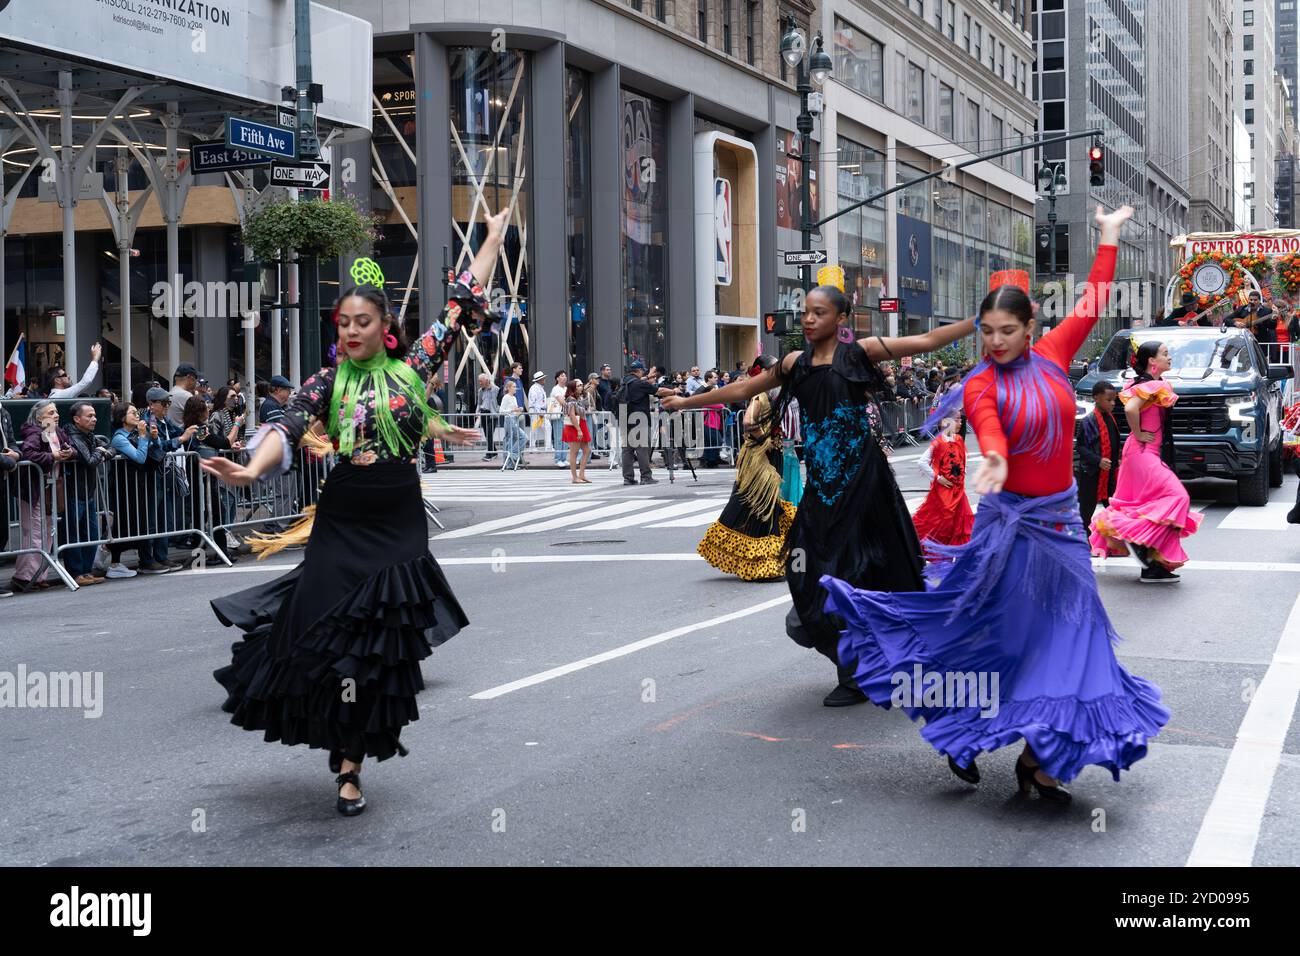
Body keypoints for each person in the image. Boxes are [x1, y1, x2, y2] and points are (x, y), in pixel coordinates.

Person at [823, 204, 1169, 802]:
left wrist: (1108, 236)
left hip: (1062, 527)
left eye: (1006, 331)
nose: (996, 341)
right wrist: (996, 457)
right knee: (996, 640)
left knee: (1071, 643)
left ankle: (1038, 756)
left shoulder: (1058, 353)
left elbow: (1091, 297)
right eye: (986, 332)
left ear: (1030, 327)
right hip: (1009, 531)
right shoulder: (982, 382)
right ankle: (962, 726)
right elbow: (987, 423)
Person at [200, 208, 500, 817]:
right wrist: (255, 467)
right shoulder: (327, 381)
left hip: (395, 519)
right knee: (326, 635)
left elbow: (462, 303)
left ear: (385, 325)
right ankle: (338, 742)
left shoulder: (414, 368)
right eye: (343, 322)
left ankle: (350, 767)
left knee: (374, 644)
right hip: (343, 516)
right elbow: (286, 424)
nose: (352, 331)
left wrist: (491, 238)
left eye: (363, 321)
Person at [664, 287, 975, 706]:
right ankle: (856, 664)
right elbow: (741, 391)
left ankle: (865, 672)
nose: (808, 319)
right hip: (823, 490)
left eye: (819, 312)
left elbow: (927, 341)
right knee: (807, 577)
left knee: (871, 572)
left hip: (865, 487)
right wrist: (686, 401)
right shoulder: (794, 363)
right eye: (805, 311)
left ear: (841, 318)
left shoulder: (861, 352)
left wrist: (982, 320)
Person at [1090, 340, 1204, 582]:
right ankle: (1141, 548)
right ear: (1152, 361)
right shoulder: (1152, 384)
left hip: (1140, 452)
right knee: (1177, 498)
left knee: (1147, 505)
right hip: (1143, 452)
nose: (1169, 357)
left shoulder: (1146, 383)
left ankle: (1152, 564)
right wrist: (1140, 432)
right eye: (1165, 354)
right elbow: (1131, 409)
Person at [696, 355, 795, 580]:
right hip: (761, 457)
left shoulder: (772, 394)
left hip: (769, 456)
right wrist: (765, 441)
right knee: (760, 504)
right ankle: (761, 565)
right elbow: (749, 422)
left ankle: (763, 561)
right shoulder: (761, 394)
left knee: (758, 503)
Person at [105, 401, 173, 577]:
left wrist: (155, 437)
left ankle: (145, 560)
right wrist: (144, 438)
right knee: (125, 523)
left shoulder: (136, 432)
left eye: (137, 413)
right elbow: (140, 458)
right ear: (122, 418)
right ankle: (113, 559)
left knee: (143, 522)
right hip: (126, 488)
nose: (137, 416)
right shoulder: (119, 437)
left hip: (141, 485)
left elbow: (157, 449)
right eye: (133, 413)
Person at [13, 400, 72, 591]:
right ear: (40, 417)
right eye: (51, 412)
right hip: (34, 489)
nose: (56, 415)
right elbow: (28, 454)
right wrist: (52, 457)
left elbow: (71, 448)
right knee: (35, 533)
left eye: (56, 411)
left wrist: (69, 452)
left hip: (50, 489)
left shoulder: (58, 432)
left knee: (48, 531)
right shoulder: (33, 432)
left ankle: (39, 575)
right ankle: (24, 576)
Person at [62, 401, 112, 586]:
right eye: (89, 416)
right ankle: (76, 572)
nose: (94, 418)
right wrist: (100, 452)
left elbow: (111, 448)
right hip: (74, 491)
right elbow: (90, 460)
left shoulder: (89, 435)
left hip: (88, 491)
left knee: (92, 533)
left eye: (94, 415)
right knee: (74, 533)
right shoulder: (72, 435)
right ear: (77, 419)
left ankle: (85, 570)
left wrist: (100, 452)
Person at [911, 413, 972, 550]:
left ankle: (959, 551)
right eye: (957, 420)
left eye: (961, 420)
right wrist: (938, 478)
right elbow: (922, 462)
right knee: (941, 522)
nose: (960, 423)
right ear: (945, 422)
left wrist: (961, 474)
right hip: (944, 492)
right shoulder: (938, 443)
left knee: (962, 521)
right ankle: (932, 548)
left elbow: (963, 459)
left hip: (959, 491)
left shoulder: (959, 440)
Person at [617, 360, 676, 486]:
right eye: (642, 371)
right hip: (639, 419)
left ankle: (628, 478)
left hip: (624, 417)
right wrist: (674, 392)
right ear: (638, 371)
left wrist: (647, 376)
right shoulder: (640, 384)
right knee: (642, 449)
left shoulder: (624, 381)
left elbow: (639, 380)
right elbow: (659, 391)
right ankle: (646, 476)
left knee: (627, 450)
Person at [1075, 380, 1122, 529]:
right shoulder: (1088, 421)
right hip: (1092, 472)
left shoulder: (1111, 418)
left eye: (1114, 399)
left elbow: (1114, 441)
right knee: (1087, 509)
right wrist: (1098, 460)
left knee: (1113, 508)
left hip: (1109, 472)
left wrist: (1118, 457)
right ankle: (1083, 541)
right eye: (1109, 400)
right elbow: (1081, 447)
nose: (1113, 403)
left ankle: (1110, 541)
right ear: (1096, 398)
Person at [563, 379, 592, 483]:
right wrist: (578, 429)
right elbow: (572, 415)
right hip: (574, 426)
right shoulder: (571, 399)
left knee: (586, 450)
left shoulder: (579, 398)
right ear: (573, 388)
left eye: (581, 385)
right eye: (579, 385)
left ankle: (582, 474)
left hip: (581, 424)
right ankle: (574, 477)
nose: (581, 387)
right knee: (574, 452)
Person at [498, 378, 527, 468]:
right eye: (514, 387)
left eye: (515, 386)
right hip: (509, 420)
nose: (515, 388)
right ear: (509, 388)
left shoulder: (514, 398)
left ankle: (509, 464)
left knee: (511, 441)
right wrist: (512, 410)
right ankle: (513, 454)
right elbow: (501, 411)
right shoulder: (506, 397)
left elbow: (514, 410)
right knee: (523, 437)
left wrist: (519, 410)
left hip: (514, 419)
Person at [476, 372, 501, 461]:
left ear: (487, 381)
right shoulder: (480, 391)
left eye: (481, 381)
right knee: (487, 434)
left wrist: (497, 410)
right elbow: (479, 403)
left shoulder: (496, 389)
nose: (480, 383)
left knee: (490, 433)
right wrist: (477, 412)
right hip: (483, 413)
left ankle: (489, 454)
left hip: (492, 414)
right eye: (479, 381)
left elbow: (499, 401)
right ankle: (493, 451)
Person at [168, 363, 201, 427]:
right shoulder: (187, 396)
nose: (197, 381)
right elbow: (202, 420)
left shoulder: (169, 393)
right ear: (189, 377)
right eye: (196, 377)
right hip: (185, 435)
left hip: (172, 435)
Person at [548, 371, 569, 466]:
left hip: (566, 415)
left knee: (566, 438)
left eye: (565, 376)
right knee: (559, 438)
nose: (564, 377)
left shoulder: (566, 388)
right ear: (557, 378)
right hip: (558, 415)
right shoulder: (556, 389)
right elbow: (562, 402)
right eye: (562, 376)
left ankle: (563, 458)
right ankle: (558, 459)